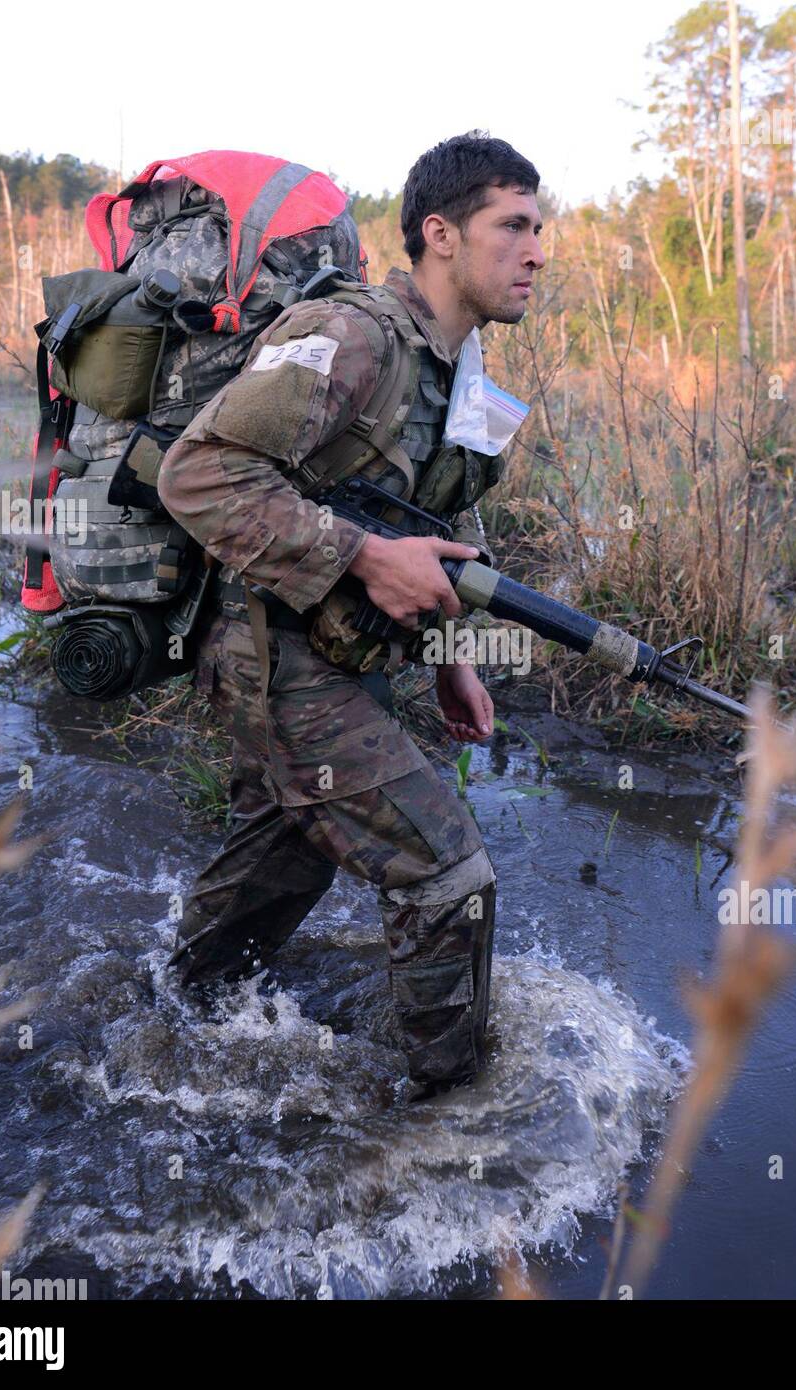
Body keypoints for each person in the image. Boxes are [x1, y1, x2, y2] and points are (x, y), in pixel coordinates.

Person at [156, 133, 545, 1098]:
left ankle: (170, 1020)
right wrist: (366, 557)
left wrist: (451, 657)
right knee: (445, 873)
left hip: (340, 655)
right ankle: (448, 1116)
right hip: (267, 652)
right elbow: (197, 474)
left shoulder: (466, 372)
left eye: (540, 230)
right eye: (513, 227)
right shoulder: (349, 334)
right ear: (440, 234)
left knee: (286, 856)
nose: (537, 253)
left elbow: (441, 524)